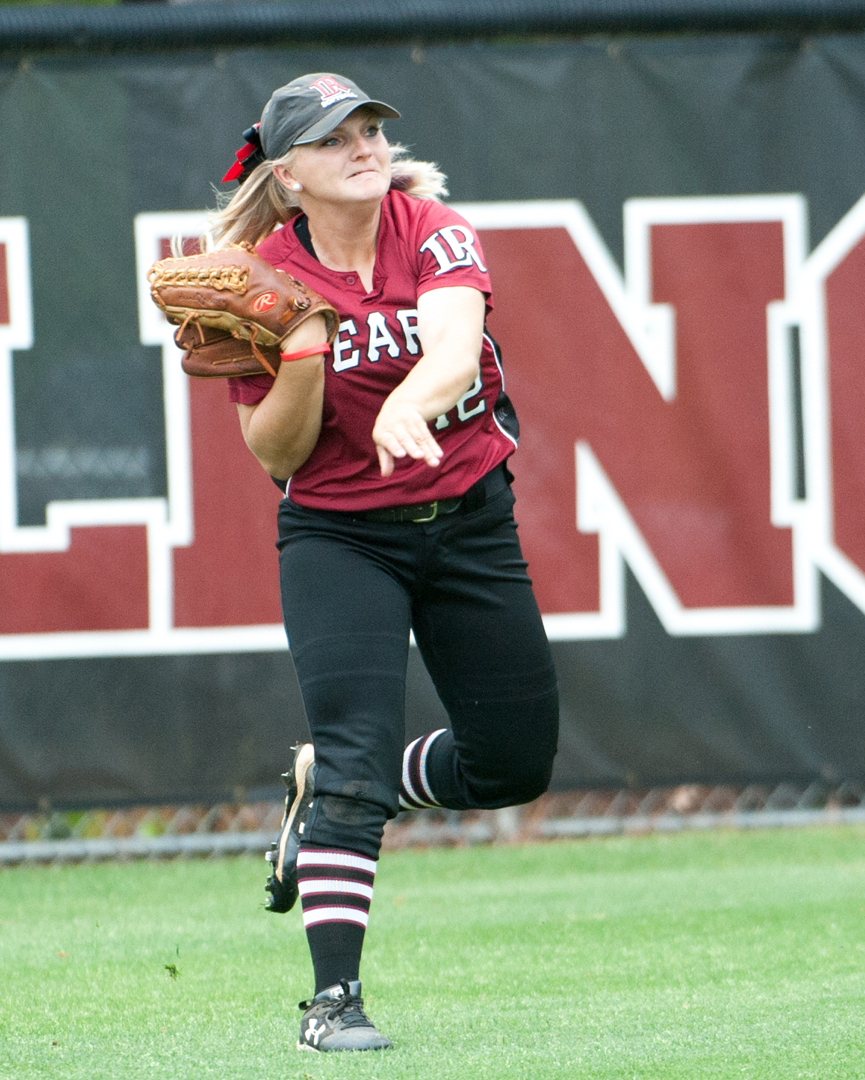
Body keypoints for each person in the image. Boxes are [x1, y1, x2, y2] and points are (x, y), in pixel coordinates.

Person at [205, 73, 562, 1053]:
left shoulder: (432, 228)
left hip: (469, 520)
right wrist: (305, 353)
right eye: (334, 137)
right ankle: (333, 1004)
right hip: (341, 535)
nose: (364, 144)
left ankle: (350, 785)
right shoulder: (259, 279)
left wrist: (414, 398)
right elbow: (275, 456)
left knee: (513, 763)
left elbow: (453, 342)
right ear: (288, 177)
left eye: (369, 127)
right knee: (356, 759)